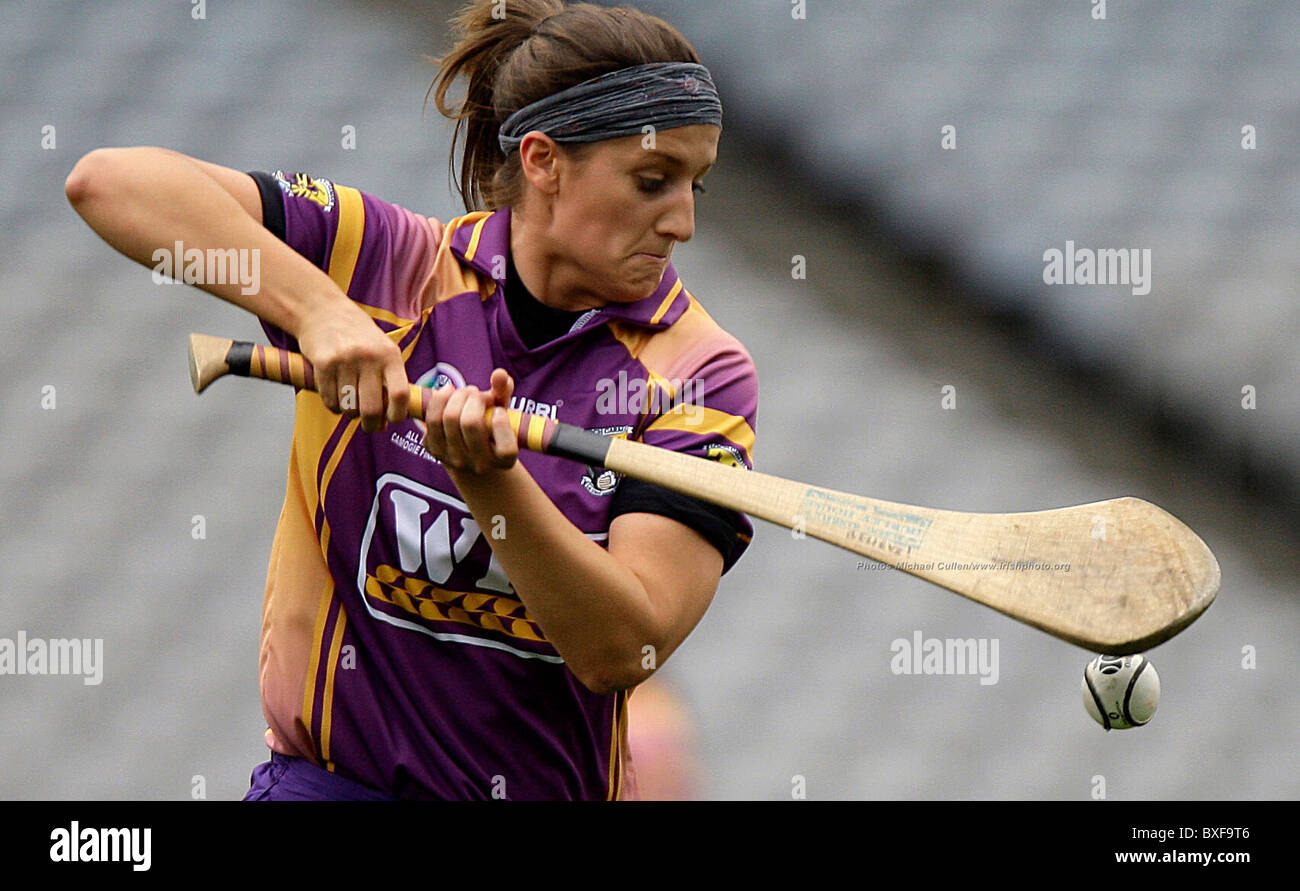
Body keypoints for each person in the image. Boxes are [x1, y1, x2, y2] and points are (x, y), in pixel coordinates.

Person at [64, 0, 756, 800]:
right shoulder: (386, 260)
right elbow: (108, 182)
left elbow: (618, 650)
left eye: (695, 183)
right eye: (652, 180)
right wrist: (319, 311)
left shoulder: (700, 370)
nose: (684, 222)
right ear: (542, 161)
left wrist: (492, 483)